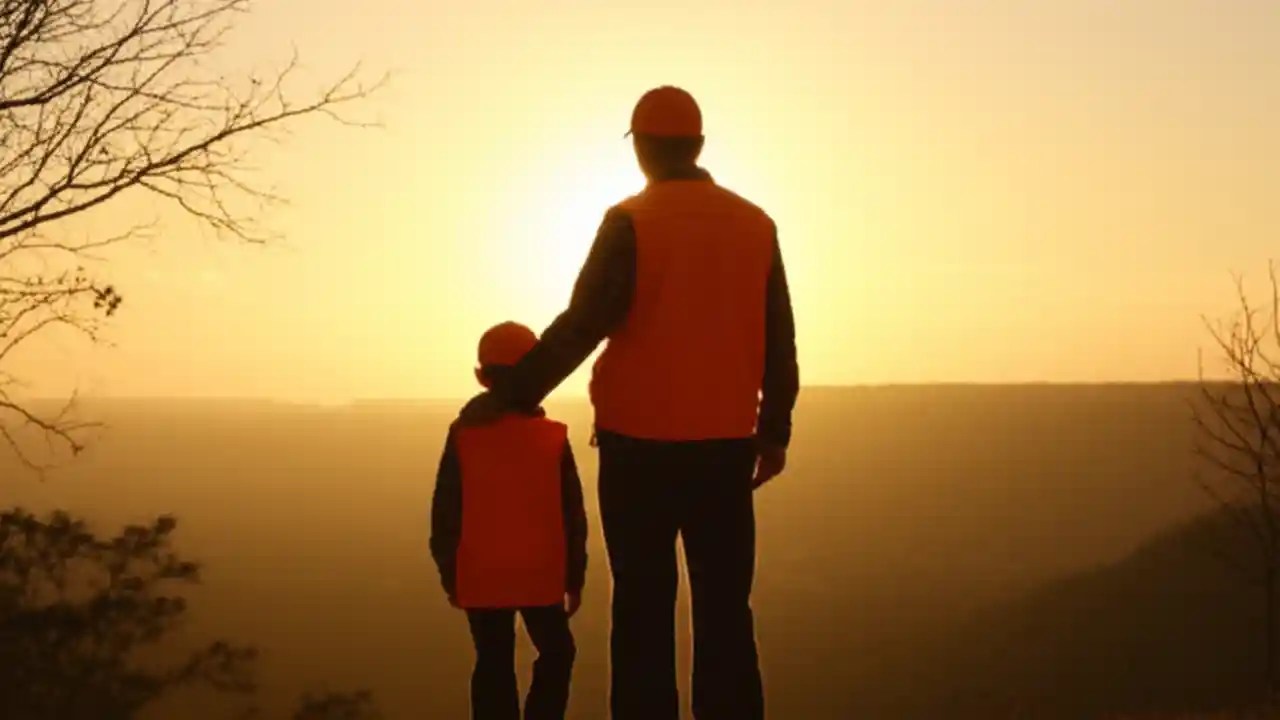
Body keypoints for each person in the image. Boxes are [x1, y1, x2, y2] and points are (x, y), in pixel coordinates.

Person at [459, 86, 799, 720]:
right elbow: (779, 333)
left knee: (642, 609)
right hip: (725, 448)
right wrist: (774, 430)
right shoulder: (755, 224)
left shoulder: (630, 221)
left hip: (637, 449)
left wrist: (511, 396)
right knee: (726, 610)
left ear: (641, 149)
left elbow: (584, 323)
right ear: (698, 146)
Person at [431, 321, 589, 720]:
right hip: (540, 573)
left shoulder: (462, 435)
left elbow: (446, 511)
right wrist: (575, 577)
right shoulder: (551, 437)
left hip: (480, 573)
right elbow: (573, 514)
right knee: (558, 653)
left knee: (492, 661)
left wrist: (450, 575)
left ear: (482, 376)